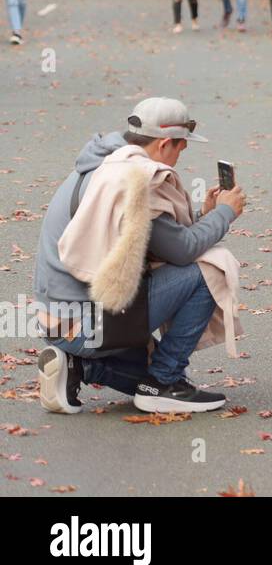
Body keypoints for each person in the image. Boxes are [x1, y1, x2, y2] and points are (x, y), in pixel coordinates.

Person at [34, 98, 247, 414]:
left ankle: (80, 367)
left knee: (142, 373)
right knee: (213, 268)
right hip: (88, 325)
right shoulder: (132, 181)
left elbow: (159, 243)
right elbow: (183, 251)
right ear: (163, 144)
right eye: (181, 147)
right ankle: (164, 382)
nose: (180, 155)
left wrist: (205, 215)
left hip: (57, 322)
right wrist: (226, 213)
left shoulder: (100, 165)